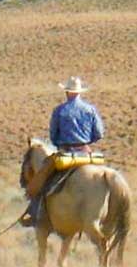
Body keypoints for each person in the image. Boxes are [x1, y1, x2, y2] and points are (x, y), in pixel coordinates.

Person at [24, 77, 105, 227]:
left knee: (42, 178)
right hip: (86, 152)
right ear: (80, 92)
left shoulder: (60, 111)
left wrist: (60, 143)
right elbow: (99, 133)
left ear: (67, 92)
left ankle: (36, 214)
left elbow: (53, 136)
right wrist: (85, 142)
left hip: (65, 152)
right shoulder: (91, 109)